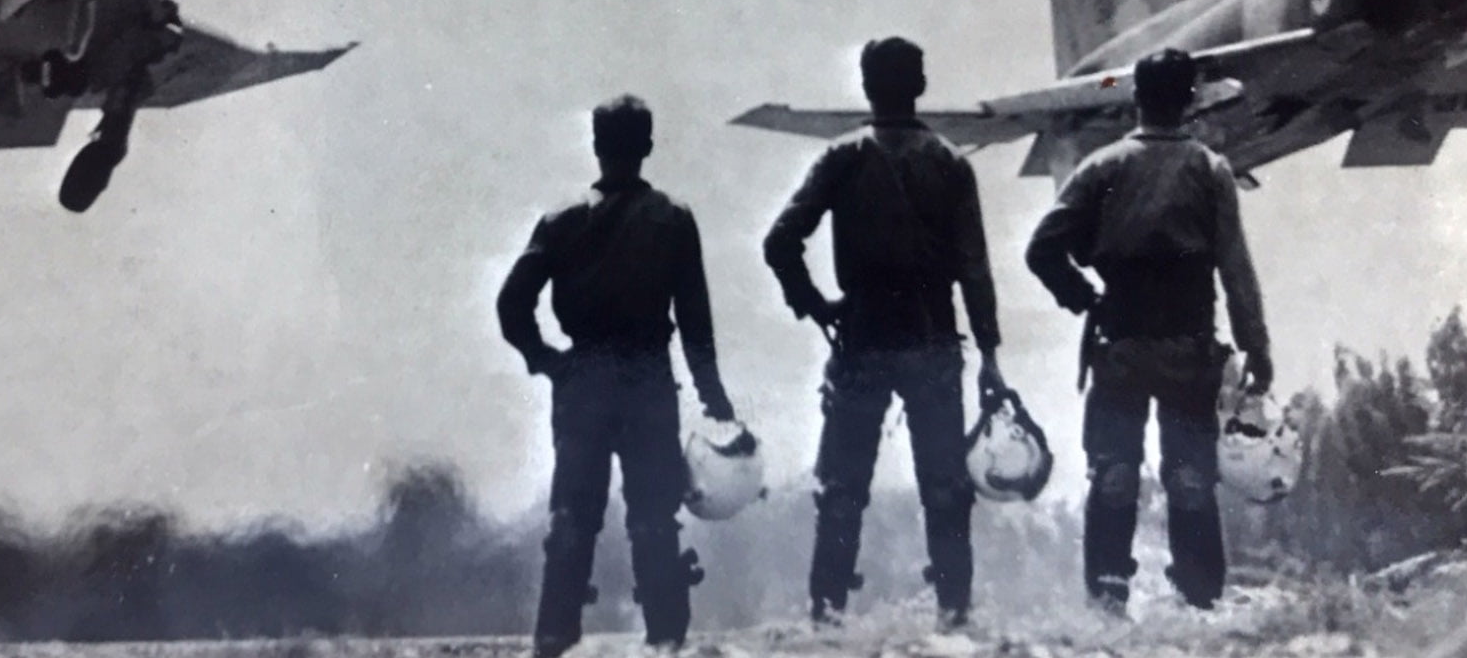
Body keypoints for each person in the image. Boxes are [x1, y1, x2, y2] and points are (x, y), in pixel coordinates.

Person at [762, 37, 1003, 630]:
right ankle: (954, 612)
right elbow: (974, 267)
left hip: (862, 336)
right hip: (932, 338)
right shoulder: (949, 162)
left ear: (866, 87)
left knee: (841, 490)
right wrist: (991, 353)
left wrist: (814, 305)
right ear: (919, 87)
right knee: (945, 488)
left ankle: (827, 615)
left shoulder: (841, 158)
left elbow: (779, 241)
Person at [1024, 47, 1272, 615]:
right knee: (1189, 476)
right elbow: (1235, 269)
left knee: (1112, 473)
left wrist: (1082, 297)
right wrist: (1257, 347)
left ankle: (1108, 593)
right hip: (1189, 347)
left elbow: (1042, 249)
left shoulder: (1102, 167)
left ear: (1136, 98)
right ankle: (1199, 597)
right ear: (1189, 101)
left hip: (1120, 344)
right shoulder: (1211, 171)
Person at [497, 95, 737, 657]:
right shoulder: (674, 221)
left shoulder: (560, 222)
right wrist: (713, 395)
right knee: (655, 520)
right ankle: (666, 642)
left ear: (597, 145)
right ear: (647, 146)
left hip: (582, 381)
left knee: (572, 520)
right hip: (649, 381)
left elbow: (512, 304)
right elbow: (695, 321)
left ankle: (554, 641)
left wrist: (548, 361)